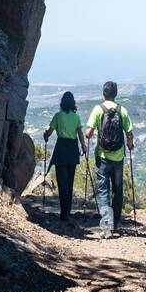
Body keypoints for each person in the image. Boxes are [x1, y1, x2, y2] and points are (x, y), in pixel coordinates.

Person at [85, 81, 134, 238]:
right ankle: (116, 224)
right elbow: (129, 134)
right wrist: (130, 145)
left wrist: (91, 134)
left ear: (103, 93)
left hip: (103, 157)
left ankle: (106, 226)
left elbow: (88, 133)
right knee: (117, 191)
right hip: (118, 157)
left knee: (103, 190)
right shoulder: (122, 110)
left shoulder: (98, 109)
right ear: (116, 93)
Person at [43, 91, 87, 222]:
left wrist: (45, 135)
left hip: (61, 148)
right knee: (70, 181)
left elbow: (49, 132)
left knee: (62, 182)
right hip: (72, 149)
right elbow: (80, 134)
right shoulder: (76, 117)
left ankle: (64, 213)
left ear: (62, 103)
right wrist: (84, 147)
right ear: (73, 103)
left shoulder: (58, 116)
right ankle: (67, 211)